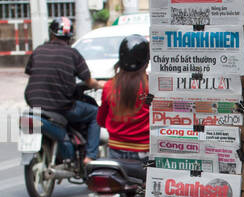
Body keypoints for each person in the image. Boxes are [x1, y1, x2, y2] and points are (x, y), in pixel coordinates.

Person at [24, 16, 102, 163]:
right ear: (69, 38)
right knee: (95, 114)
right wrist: (101, 85)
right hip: (61, 107)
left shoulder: (38, 51)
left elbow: (31, 73)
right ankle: (90, 156)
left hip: (34, 105)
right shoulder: (73, 54)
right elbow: (89, 81)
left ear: (51, 34)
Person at [96, 34, 150, 161]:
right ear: (146, 62)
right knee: (152, 179)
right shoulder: (151, 87)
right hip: (145, 155)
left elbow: (101, 121)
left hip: (115, 152)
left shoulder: (110, 86)